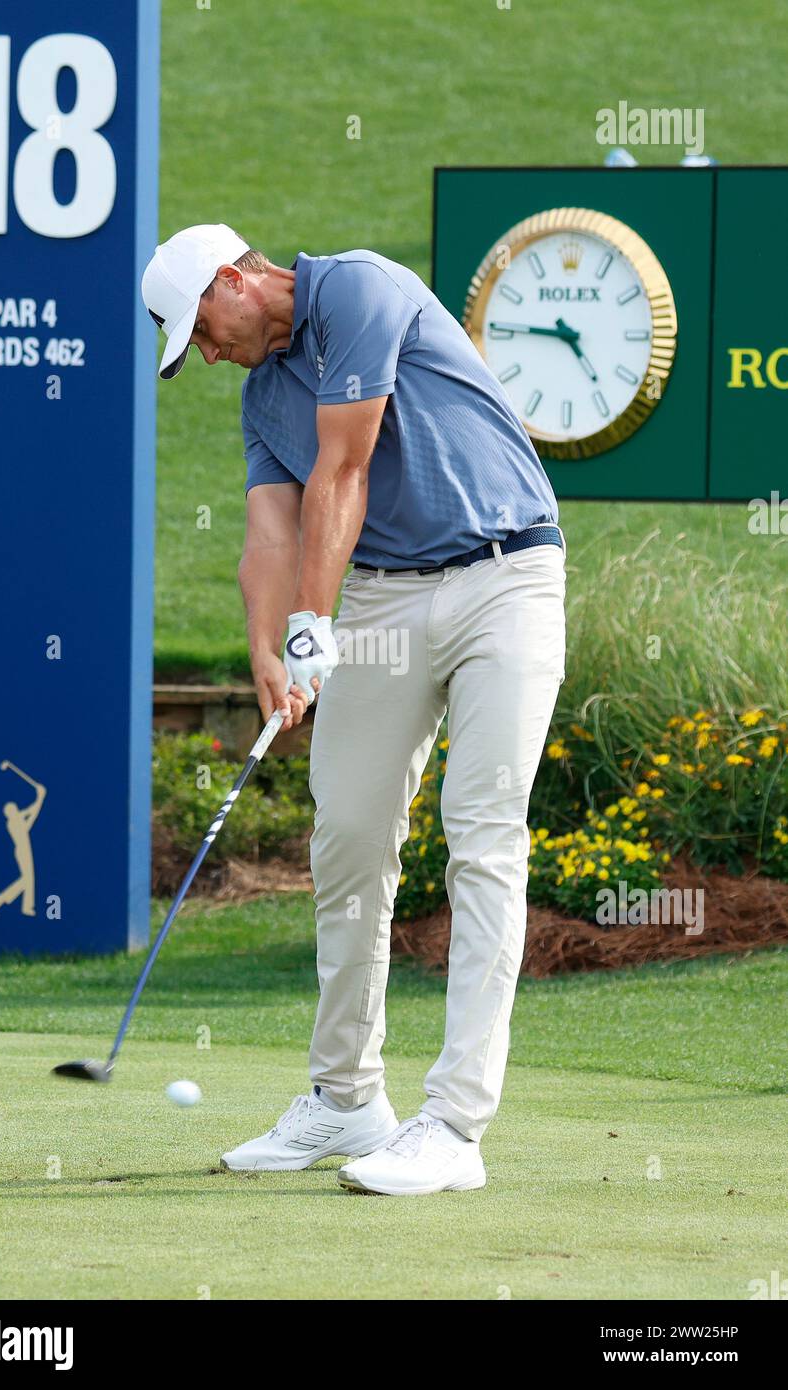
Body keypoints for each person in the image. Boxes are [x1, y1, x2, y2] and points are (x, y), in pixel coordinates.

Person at [142, 224, 566, 1196]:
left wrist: (308, 625)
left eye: (199, 329)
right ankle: (344, 1098)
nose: (204, 353)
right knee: (346, 838)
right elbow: (268, 530)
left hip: (504, 574)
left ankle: (454, 1126)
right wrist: (268, 650)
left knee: (482, 834)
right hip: (381, 598)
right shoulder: (262, 396)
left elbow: (345, 469)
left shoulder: (361, 290)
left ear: (232, 280)